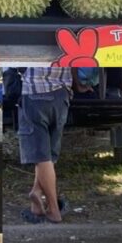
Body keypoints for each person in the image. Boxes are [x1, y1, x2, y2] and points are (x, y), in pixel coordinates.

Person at [18, 67, 73, 224]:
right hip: (61, 95)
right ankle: (36, 191)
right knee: (49, 154)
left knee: (41, 156)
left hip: (34, 91)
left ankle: (54, 209)